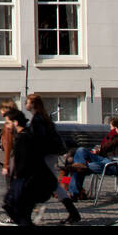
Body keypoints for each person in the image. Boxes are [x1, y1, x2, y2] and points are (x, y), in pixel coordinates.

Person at [25, 93, 81, 224]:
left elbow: (39, 141)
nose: (25, 105)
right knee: (53, 186)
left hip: (44, 156)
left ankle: (26, 215)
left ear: (33, 104)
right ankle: (74, 213)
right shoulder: (42, 118)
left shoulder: (38, 119)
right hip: (50, 155)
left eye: (27, 102)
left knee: (32, 185)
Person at [1, 108, 57, 226]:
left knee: (15, 210)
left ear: (15, 122)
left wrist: (15, 179)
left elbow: (25, 165)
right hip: (32, 183)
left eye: (7, 122)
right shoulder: (25, 136)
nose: (6, 126)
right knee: (20, 213)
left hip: (30, 184)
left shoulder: (23, 139)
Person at [66, 115, 118, 199]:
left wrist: (102, 149)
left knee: (81, 168)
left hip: (113, 164)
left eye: (114, 128)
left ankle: (73, 193)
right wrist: (100, 150)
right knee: (81, 150)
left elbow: (108, 146)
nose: (113, 130)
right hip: (105, 159)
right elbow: (107, 147)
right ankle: (80, 165)